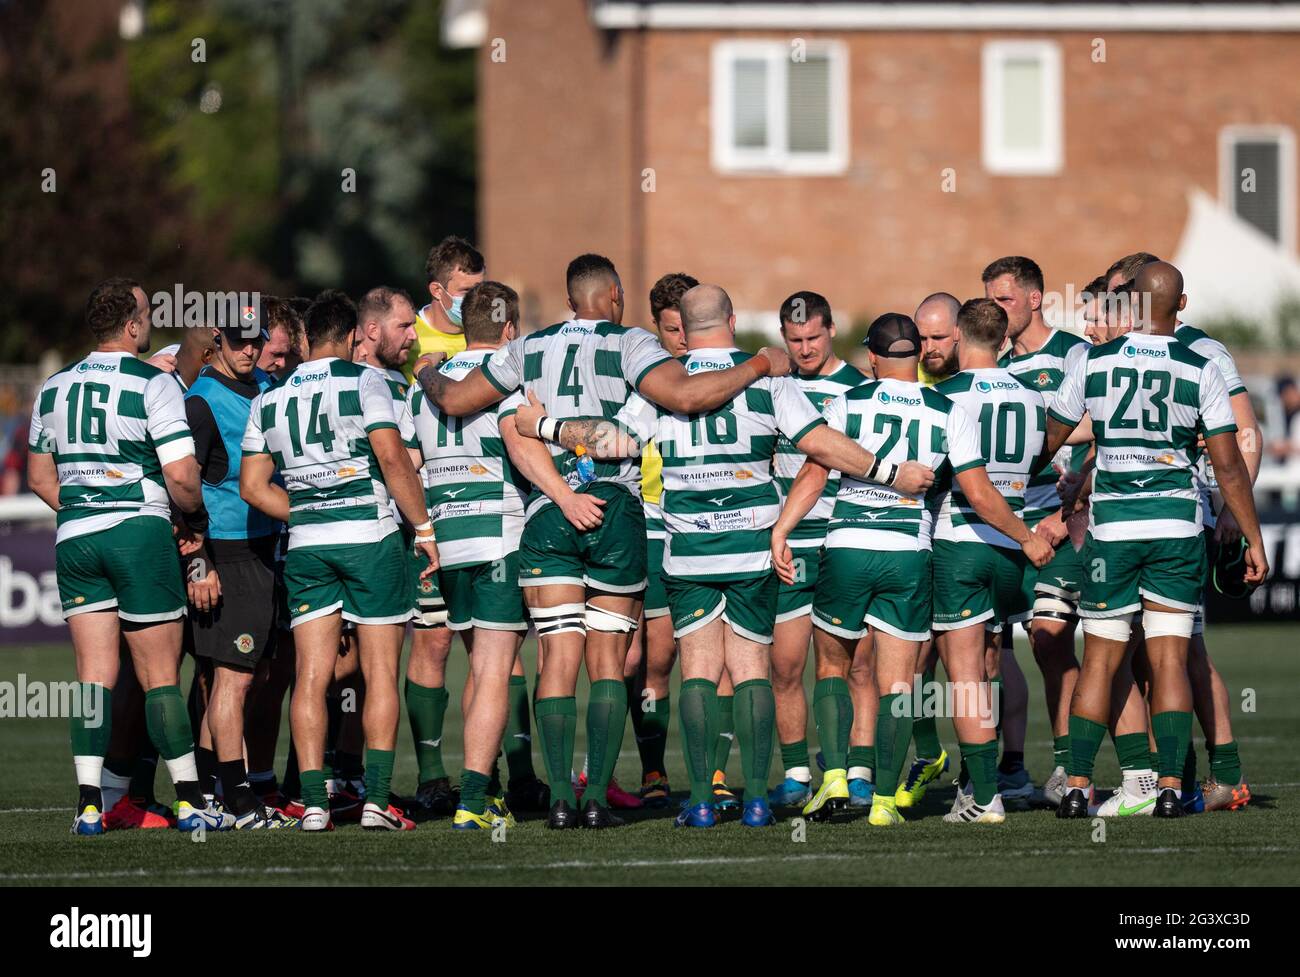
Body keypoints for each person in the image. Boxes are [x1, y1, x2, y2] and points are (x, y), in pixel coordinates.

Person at [519, 287, 938, 830]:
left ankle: (699, 800)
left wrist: (546, 426)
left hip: (690, 547)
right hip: (753, 546)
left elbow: (612, 441)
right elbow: (821, 444)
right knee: (750, 671)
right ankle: (760, 800)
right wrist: (888, 472)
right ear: (734, 322)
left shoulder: (664, 383)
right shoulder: (767, 378)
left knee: (697, 671)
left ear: (685, 330)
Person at [412, 254, 795, 830]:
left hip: (547, 510)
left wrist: (426, 373)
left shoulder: (527, 348)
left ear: (570, 301)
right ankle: (596, 800)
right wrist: (762, 363)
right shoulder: (632, 343)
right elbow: (687, 397)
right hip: (614, 507)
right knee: (610, 666)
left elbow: (455, 400)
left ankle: (561, 800)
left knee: (557, 660)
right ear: (614, 295)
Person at [773, 313, 1051, 826]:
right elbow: (976, 489)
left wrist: (781, 531)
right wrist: (1027, 538)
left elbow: (814, 471)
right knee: (899, 682)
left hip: (849, 543)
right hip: (910, 549)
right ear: (919, 355)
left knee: (832, 667)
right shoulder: (949, 410)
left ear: (872, 358)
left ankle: (833, 778)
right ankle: (883, 803)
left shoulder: (846, 400)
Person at [1045, 262, 1267, 819]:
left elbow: (1050, 438)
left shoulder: (1093, 361)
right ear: (1182, 302)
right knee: (1170, 659)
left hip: (1113, 529)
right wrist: (1252, 537)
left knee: (1099, 659)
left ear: (1132, 306)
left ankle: (1075, 785)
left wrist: (1029, 489)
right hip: (1175, 528)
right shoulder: (1200, 367)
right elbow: (1230, 465)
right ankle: (1170, 787)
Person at [27, 277, 230, 834]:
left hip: (76, 538)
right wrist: (189, 522)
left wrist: (87, 505)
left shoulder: (53, 386)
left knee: (95, 678)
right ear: (134, 326)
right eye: (146, 315)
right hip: (139, 532)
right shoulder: (153, 384)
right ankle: (190, 799)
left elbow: (40, 477)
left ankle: (89, 805)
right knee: (160, 675)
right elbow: (184, 477)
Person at [240, 289, 438, 832]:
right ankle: (375, 802)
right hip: (369, 538)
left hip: (307, 545)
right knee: (378, 674)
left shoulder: (270, 398)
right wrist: (423, 527)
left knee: (310, 677)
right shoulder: (367, 380)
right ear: (354, 338)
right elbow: (391, 455)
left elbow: (253, 487)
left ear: (304, 339)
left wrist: (304, 512)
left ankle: (312, 806)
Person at [410, 281, 555, 828]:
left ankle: (484, 782)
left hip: (446, 541)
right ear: (510, 331)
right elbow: (528, 455)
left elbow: (410, 462)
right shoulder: (511, 385)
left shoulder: (418, 389)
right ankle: (473, 798)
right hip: (500, 536)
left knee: (478, 666)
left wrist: (423, 529)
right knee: (495, 670)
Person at [932, 299, 1049, 822]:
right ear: (1004, 339)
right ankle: (995, 775)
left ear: (958, 334)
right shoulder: (1031, 397)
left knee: (963, 676)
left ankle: (983, 796)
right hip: (1010, 553)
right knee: (990, 663)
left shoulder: (944, 396)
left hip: (961, 540)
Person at [183, 319, 294, 828]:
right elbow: (180, 488)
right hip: (227, 552)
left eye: (256, 338)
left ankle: (211, 793)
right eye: (237, 339)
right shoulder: (202, 401)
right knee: (231, 678)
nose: (249, 348)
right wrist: (198, 560)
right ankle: (238, 799)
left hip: (265, 547)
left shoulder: (268, 387)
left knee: (244, 675)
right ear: (217, 343)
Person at [768, 290, 870, 811]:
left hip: (844, 539)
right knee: (785, 665)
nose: (805, 349)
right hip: (791, 542)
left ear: (832, 330)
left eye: (813, 337)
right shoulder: (772, 386)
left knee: (855, 665)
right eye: (794, 339)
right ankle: (796, 772)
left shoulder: (861, 388)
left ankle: (857, 770)